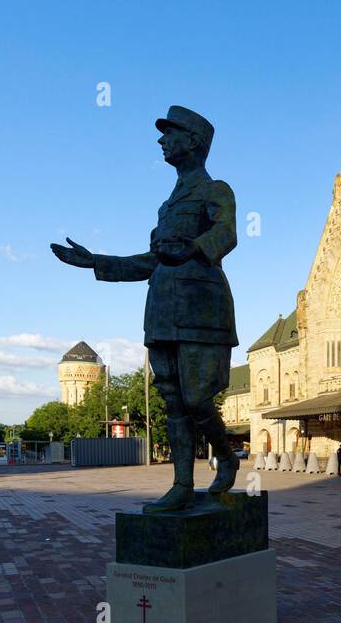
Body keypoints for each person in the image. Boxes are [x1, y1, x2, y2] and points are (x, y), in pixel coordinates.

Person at [51, 105, 240, 515]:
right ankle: (182, 485)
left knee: (197, 399)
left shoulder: (215, 190)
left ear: (192, 141)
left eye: (168, 133)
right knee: (173, 401)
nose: (161, 141)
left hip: (202, 311)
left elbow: (226, 233)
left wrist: (194, 247)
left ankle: (225, 455)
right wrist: (95, 261)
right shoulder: (167, 206)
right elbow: (151, 261)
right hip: (162, 310)